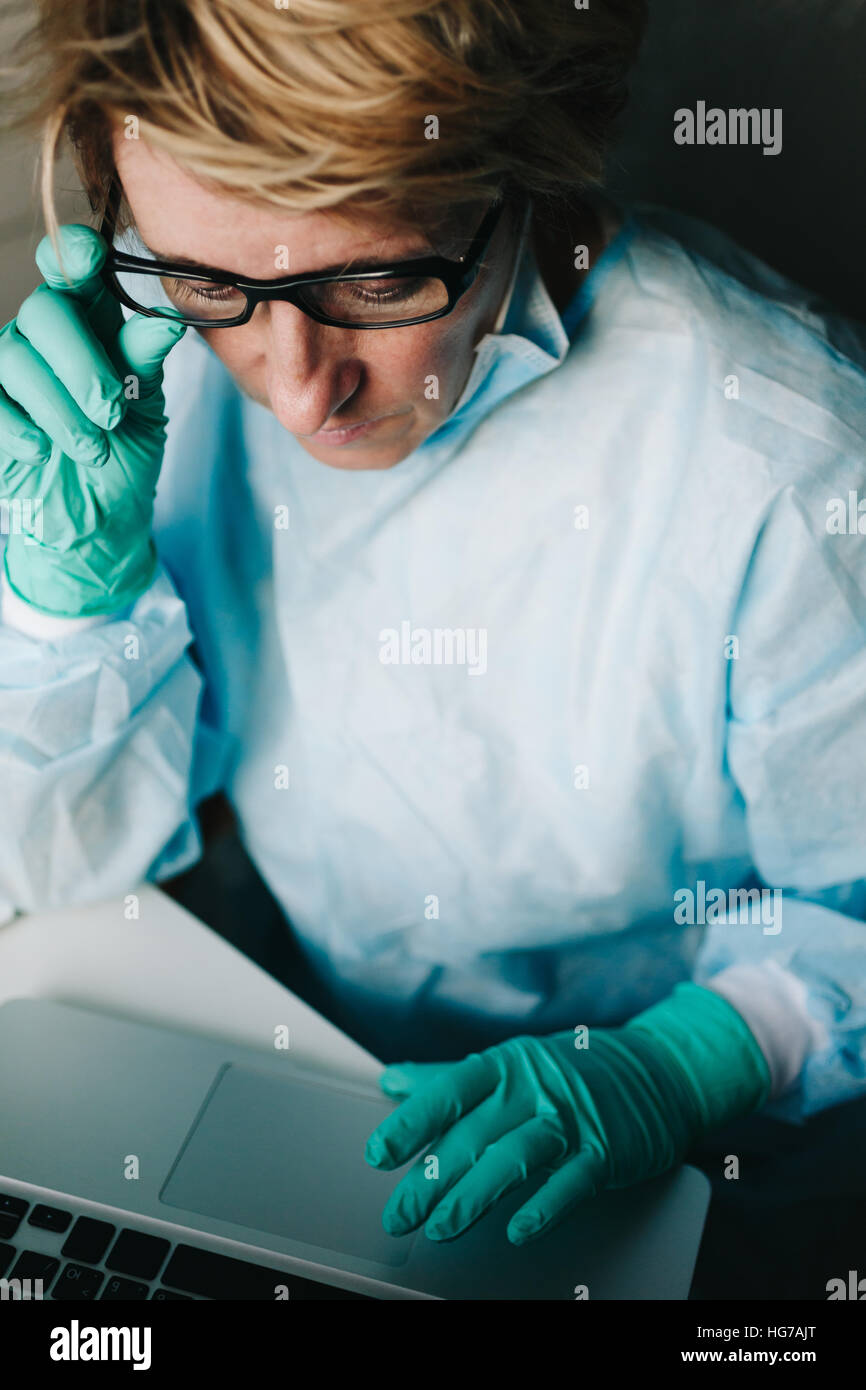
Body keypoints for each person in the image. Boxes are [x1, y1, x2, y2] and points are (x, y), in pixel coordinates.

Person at [1, 0, 865, 1284]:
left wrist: (683, 1061)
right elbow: (62, 872)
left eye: (376, 280)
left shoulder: (785, 460)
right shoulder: (165, 365)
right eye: (211, 284)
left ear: (523, 166)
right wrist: (69, 606)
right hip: (291, 1046)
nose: (296, 388)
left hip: (669, 1169)